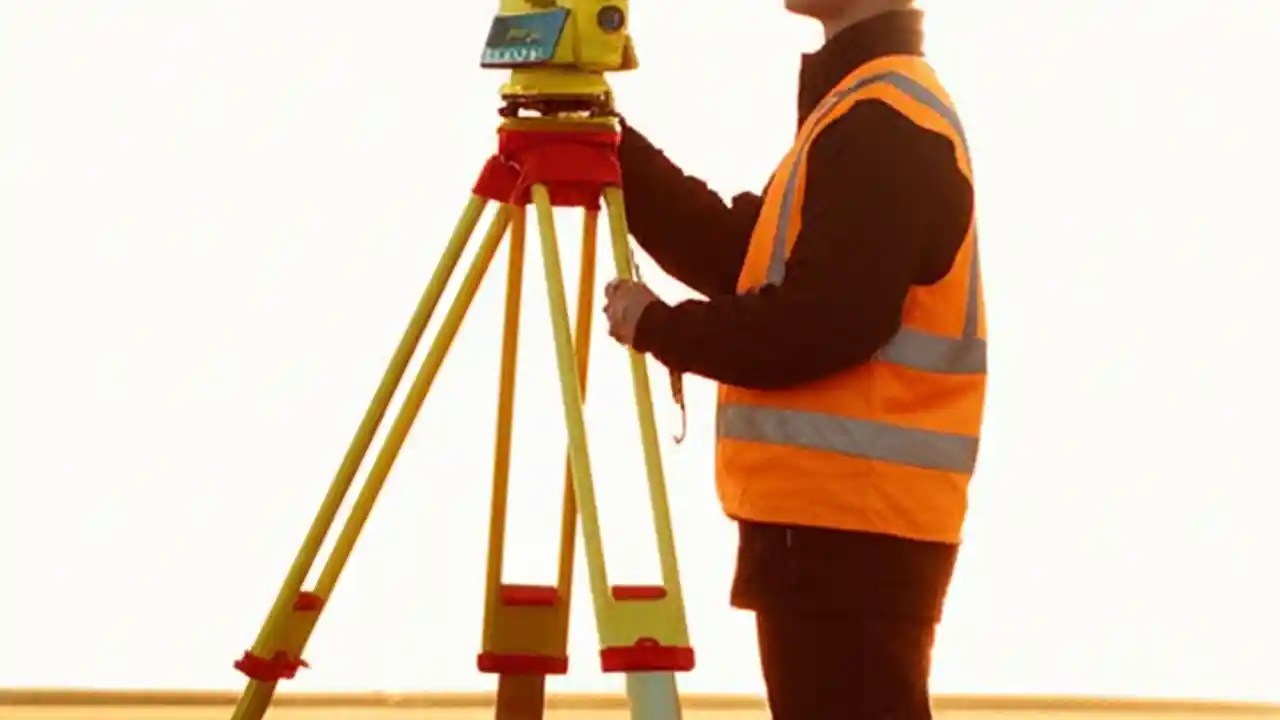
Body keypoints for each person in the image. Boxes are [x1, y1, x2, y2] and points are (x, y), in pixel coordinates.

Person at [601, 1, 987, 718]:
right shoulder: (858, 107)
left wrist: (660, 327)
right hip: (835, 525)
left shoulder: (886, 119)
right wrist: (606, 143)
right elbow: (740, 257)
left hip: (852, 526)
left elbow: (823, 321)